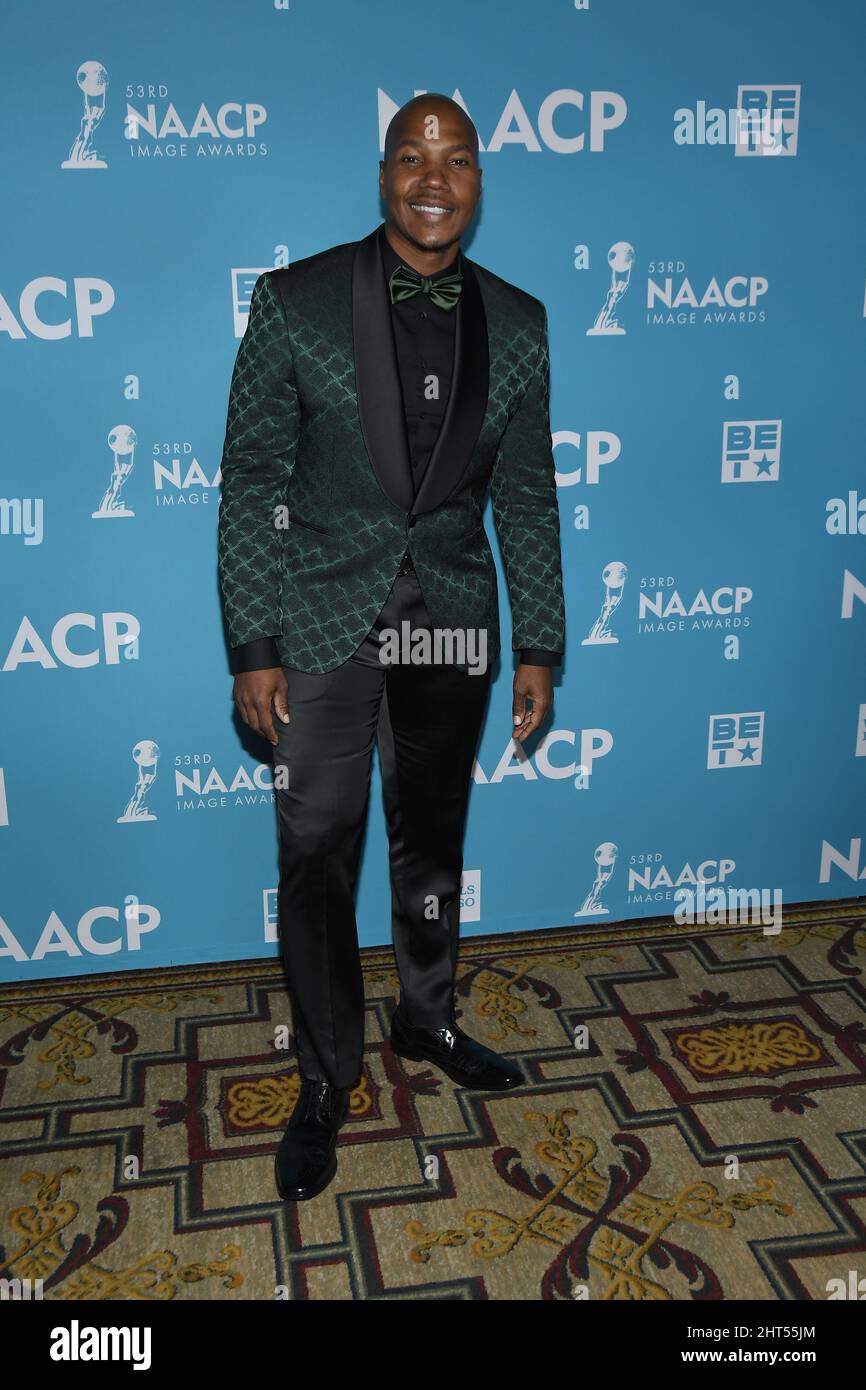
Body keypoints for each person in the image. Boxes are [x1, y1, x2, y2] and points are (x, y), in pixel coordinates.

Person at [217, 94, 565, 1201]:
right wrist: (253, 643)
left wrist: (538, 642)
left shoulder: (517, 321)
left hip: (453, 617)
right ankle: (325, 1077)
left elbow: (526, 496)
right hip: (315, 616)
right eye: (411, 157)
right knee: (316, 852)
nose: (432, 177)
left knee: (429, 843)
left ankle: (426, 1020)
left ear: (477, 181)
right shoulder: (295, 301)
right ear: (381, 175)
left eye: (454, 159)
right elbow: (252, 484)